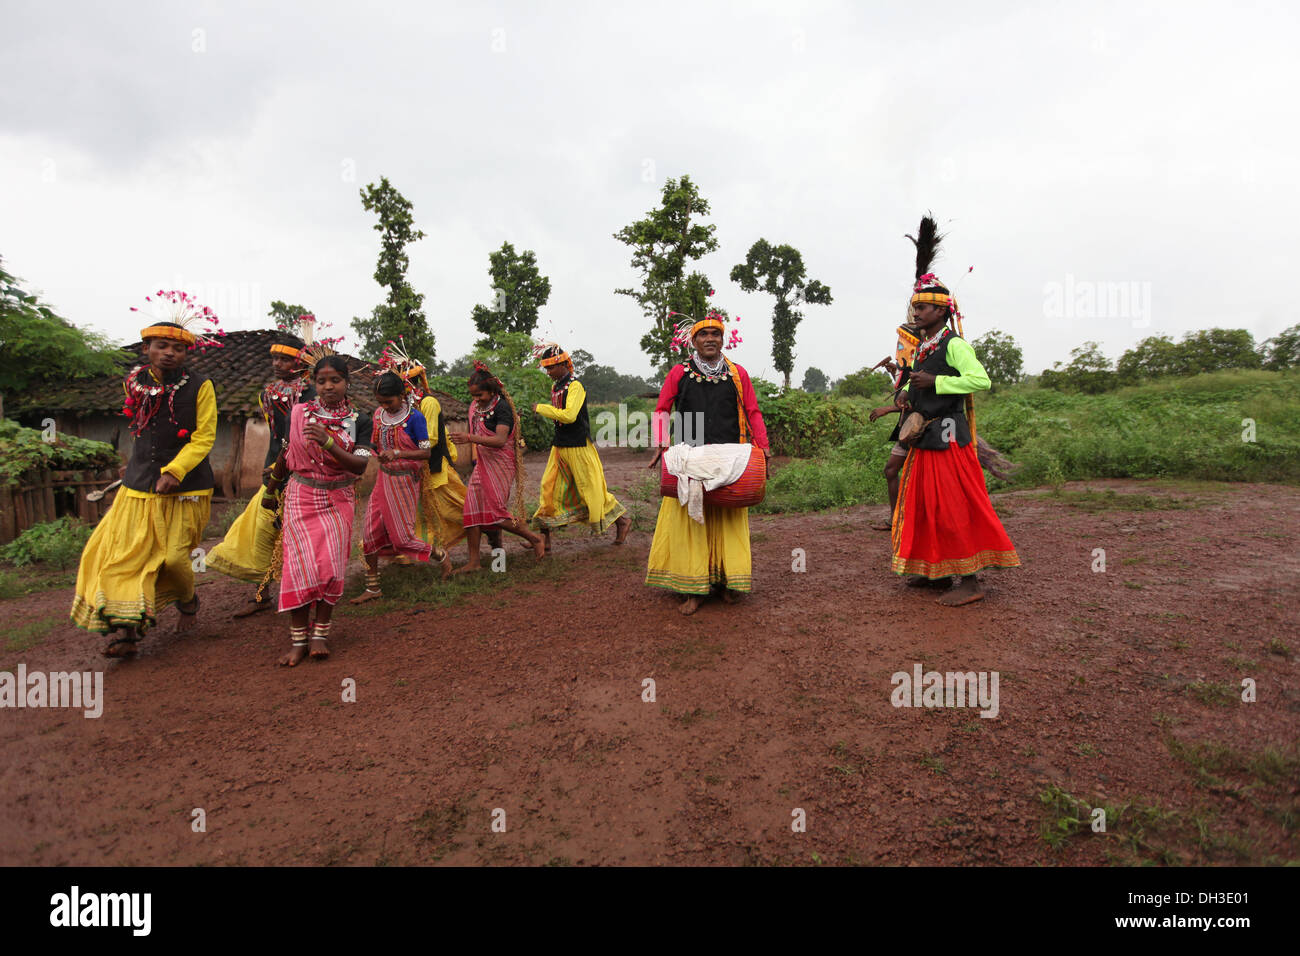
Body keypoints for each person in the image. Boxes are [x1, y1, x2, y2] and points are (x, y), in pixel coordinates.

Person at [70, 304, 218, 657]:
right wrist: (134, 465)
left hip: (188, 489)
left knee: (173, 559)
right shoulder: (133, 382)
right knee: (122, 558)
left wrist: (174, 471)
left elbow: (204, 437)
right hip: (138, 488)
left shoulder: (201, 386)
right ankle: (127, 633)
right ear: (146, 349)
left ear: (186, 353)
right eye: (161, 346)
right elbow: (140, 429)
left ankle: (188, 599)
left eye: (177, 348)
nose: (169, 353)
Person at [890, 268, 1020, 605]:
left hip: (949, 441)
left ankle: (971, 581)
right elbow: (915, 377)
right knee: (925, 506)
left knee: (952, 508)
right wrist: (905, 390)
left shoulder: (954, 345)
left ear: (941, 311)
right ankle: (939, 571)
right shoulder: (923, 347)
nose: (915, 313)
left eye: (922, 308)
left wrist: (936, 383)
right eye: (914, 308)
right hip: (926, 440)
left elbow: (980, 380)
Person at [645, 311, 770, 615]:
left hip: (731, 457)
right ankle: (693, 588)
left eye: (716, 334)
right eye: (704, 335)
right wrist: (662, 446)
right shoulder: (679, 372)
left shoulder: (738, 373)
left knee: (727, 520)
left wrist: (763, 447)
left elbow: (752, 412)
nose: (710, 339)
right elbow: (662, 408)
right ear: (694, 341)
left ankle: (727, 583)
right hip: (690, 456)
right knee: (692, 521)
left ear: (723, 339)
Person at [266, 352, 372, 665]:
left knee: (328, 568)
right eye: (321, 381)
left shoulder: (359, 421)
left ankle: (320, 635)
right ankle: (298, 641)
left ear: (347, 382)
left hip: (339, 499)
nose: (328, 387)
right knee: (299, 568)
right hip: (301, 496)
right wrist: (271, 490)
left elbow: (361, 465)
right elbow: (286, 455)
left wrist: (328, 443)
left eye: (335, 380)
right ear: (313, 383)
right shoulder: (298, 413)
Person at [208, 331, 311, 614]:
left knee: (297, 532)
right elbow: (275, 435)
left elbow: (303, 437)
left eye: (285, 359)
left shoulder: (312, 392)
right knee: (264, 528)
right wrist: (271, 464)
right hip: (275, 468)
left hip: (302, 470)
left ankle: (305, 592)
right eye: (275, 358)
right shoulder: (268, 393)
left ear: (300, 362)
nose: (277, 364)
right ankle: (261, 593)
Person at [351, 372, 452, 603]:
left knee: (402, 539)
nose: (385, 406)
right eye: (380, 402)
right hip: (383, 480)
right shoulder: (378, 415)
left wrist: (397, 453)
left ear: (402, 395)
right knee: (368, 535)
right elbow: (375, 443)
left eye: (389, 402)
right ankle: (373, 587)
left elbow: (425, 452)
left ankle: (440, 555)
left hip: (405, 481)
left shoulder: (415, 418)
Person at [528, 343, 630, 551]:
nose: (548, 373)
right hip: (560, 446)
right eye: (546, 369)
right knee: (548, 489)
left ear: (563, 364)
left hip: (578, 446)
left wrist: (541, 409)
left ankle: (622, 522)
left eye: (551, 368)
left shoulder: (576, 386)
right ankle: (544, 539)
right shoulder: (556, 387)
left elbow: (569, 415)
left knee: (590, 491)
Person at [449, 361, 545, 571]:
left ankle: (535, 539)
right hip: (482, 464)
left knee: (496, 513)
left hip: (501, 464)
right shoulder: (475, 407)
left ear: (492, 391)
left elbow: (501, 440)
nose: (475, 400)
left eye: (480, 395)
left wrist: (469, 437)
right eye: (473, 396)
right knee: (471, 512)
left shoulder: (502, 408)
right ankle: (474, 562)